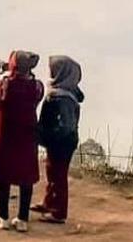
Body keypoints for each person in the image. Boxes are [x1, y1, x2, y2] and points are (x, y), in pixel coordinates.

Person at [0, 51, 44, 233]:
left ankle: (4, 217)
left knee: (3, 176)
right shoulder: (37, 87)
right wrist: (16, 70)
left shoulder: (3, 85)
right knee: (25, 177)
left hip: (5, 137)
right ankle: (22, 219)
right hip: (27, 137)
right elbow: (31, 84)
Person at [33, 56, 84, 225]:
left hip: (60, 143)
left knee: (58, 175)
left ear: (61, 73)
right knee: (52, 172)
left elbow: (65, 126)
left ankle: (58, 212)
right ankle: (49, 203)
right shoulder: (66, 92)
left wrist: (47, 137)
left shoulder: (62, 97)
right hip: (61, 141)